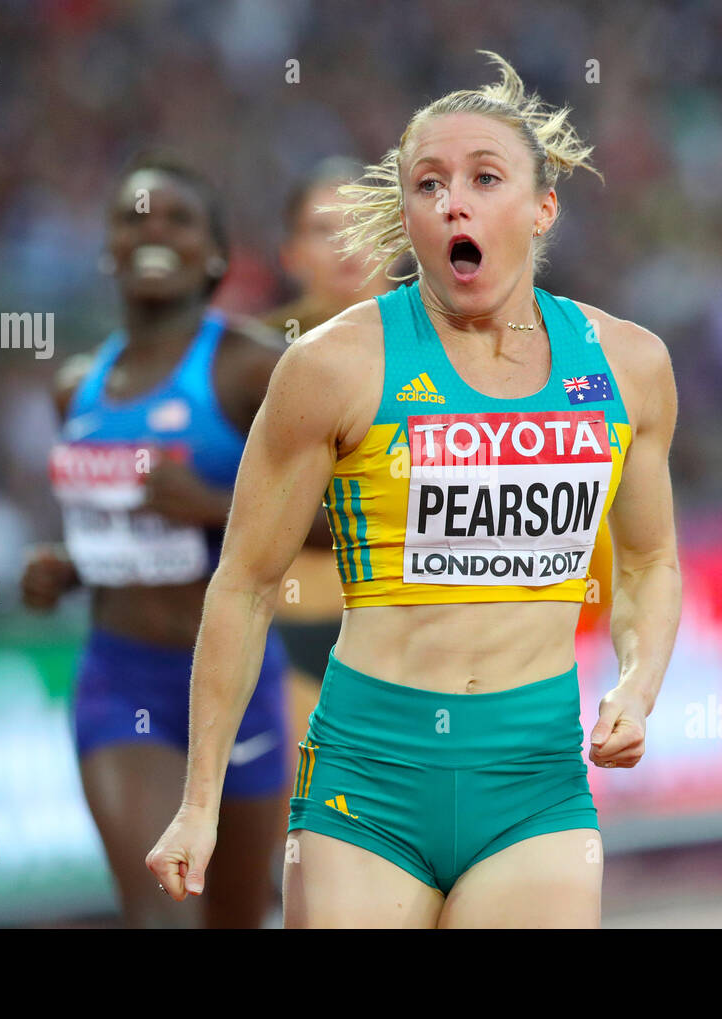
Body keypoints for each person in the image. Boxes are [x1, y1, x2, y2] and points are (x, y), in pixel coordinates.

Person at [147, 51, 682, 928]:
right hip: (370, 778)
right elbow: (242, 583)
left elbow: (654, 559)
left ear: (543, 207)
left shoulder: (629, 365)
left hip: (534, 777)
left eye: (483, 177)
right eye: (428, 184)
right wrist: (200, 801)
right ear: (408, 216)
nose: (453, 202)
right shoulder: (332, 368)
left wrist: (637, 682)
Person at [21, 150, 330, 928]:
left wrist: (211, 505)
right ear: (107, 250)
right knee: (162, 916)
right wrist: (66, 567)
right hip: (121, 685)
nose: (152, 229)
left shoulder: (254, 370)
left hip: (234, 684)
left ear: (217, 254)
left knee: (240, 915)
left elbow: (343, 524)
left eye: (178, 218)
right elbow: (111, 536)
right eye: (133, 217)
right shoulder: (76, 386)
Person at [257, 157, 397, 798]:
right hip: (293, 634)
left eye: (361, 223)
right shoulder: (252, 356)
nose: (346, 244)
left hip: (418, 630)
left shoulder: (455, 340)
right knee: (308, 844)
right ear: (290, 253)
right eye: (323, 229)